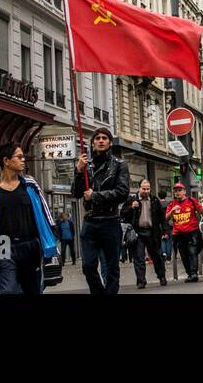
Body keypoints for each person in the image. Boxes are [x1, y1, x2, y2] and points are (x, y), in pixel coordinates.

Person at [0, 142, 58, 294]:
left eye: (23, 157)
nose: (23, 160)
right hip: (3, 244)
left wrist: (51, 240)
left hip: (30, 244)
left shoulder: (30, 186)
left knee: (33, 289)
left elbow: (46, 214)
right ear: (6, 161)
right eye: (19, 157)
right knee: (7, 290)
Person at [72, 126, 129, 294]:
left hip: (110, 221)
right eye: (97, 138)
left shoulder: (119, 165)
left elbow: (122, 192)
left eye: (104, 138)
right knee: (88, 266)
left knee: (112, 267)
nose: (101, 141)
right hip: (90, 222)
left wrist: (95, 196)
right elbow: (75, 193)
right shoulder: (86, 165)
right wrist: (78, 171)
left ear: (110, 142)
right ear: (93, 143)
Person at [122, 180, 167, 289]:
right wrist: (131, 207)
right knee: (139, 258)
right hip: (138, 233)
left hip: (152, 232)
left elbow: (162, 216)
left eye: (148, 189)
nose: (146, 191)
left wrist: (165, 231)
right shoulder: (132, 199)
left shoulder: (155, 200)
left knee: (157, 256)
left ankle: (161, 276)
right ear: (139, 188)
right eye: (144, 189)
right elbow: (122, 213)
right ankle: (141, 281)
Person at [163, 182, 203, 283]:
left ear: (184, 191)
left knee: (192, 252)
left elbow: (201, 210)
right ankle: (189, 274)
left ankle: (194, 273)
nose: (177, 193)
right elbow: (166, 218)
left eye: (179, 190)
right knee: (184, 255)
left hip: (192, 232)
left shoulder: (191, 201)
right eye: (176, 191)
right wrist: (172, 211)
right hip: (178, 234)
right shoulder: (171, 204)